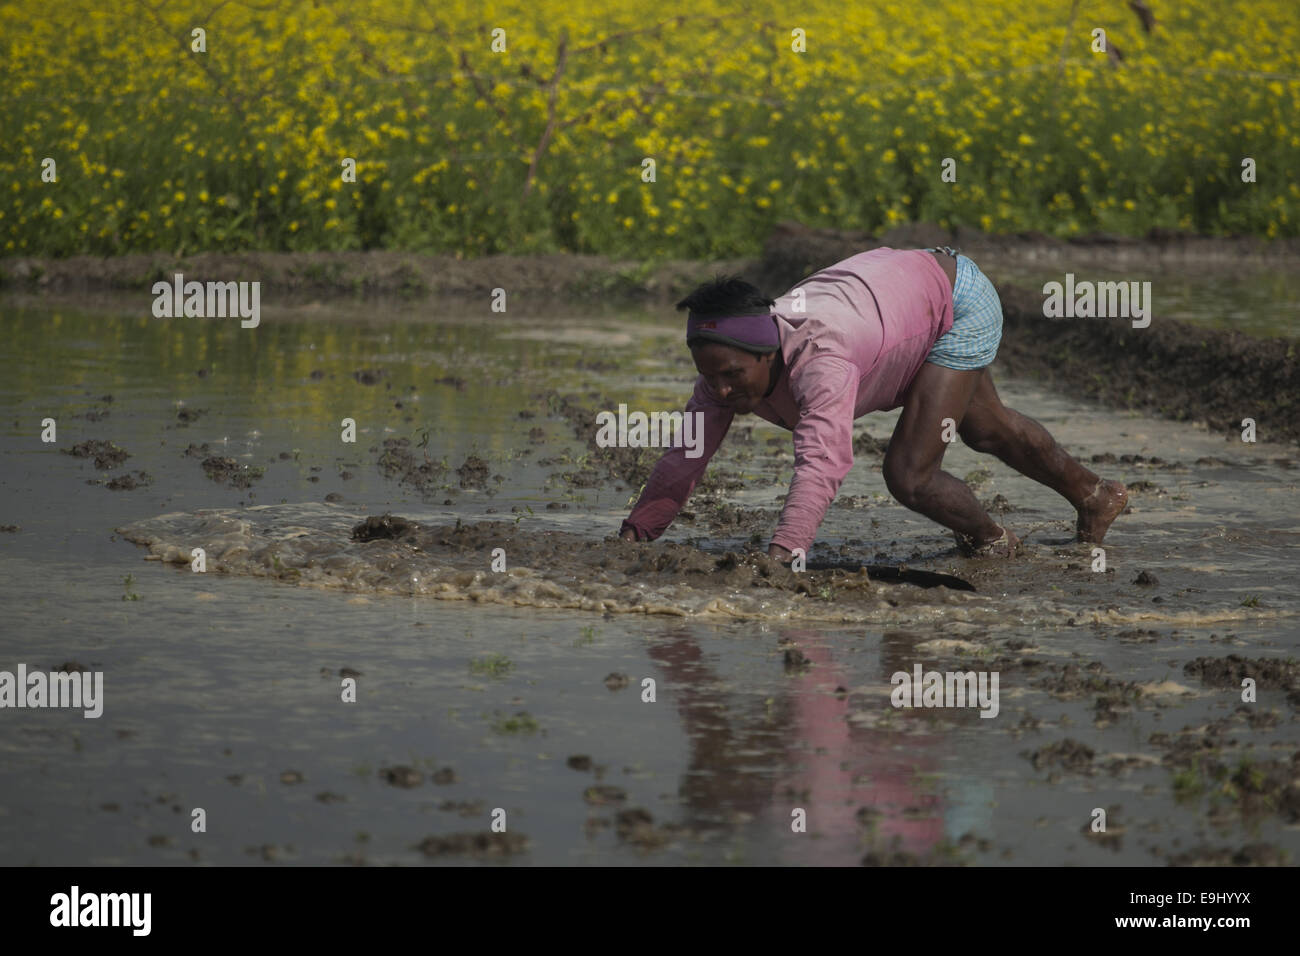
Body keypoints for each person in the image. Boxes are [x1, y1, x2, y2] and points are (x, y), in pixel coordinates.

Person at [617, 245, 1128, 561]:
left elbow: (822, 463)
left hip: (956, 298)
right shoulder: (722, 377)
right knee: (987, 426)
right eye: (709, 376)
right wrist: (636, 535)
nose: (721, 391)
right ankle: (1096, 494)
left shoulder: (821, 361)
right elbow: (685, 455)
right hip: (897, 299)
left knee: (910, 474)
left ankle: (992, 541)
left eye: (732, 375)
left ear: (768, 349)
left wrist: (784, 555)